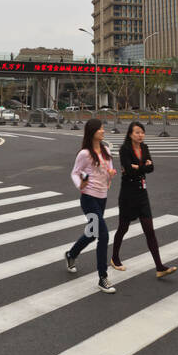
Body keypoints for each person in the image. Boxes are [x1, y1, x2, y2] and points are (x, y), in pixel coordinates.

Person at [112, 121, 176, 278]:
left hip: (142, 194)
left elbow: (151, 168)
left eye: (142, 132)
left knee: (150, 231)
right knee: (123, 228)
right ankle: (114, 257)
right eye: (137, 132)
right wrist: (142, 166)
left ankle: (159, 267)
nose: (140, 135)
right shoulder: (124, 149)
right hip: (128, 194)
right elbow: (129, 169)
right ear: (130, 134)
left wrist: (137, 167)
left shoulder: (145, 148)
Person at [64, 118, 118, 293]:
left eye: (103, 128)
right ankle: (103, 278)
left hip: (102, 198)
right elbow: (75, 173)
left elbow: (109, 172)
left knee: (92, 233)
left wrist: (111, 174)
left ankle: (71, 254)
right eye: (101, 129)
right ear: (92, 131)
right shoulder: (85, 154)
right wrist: (80, 184)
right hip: (89, 199)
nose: (103, 131)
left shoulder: (106, 150)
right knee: (103, 235)